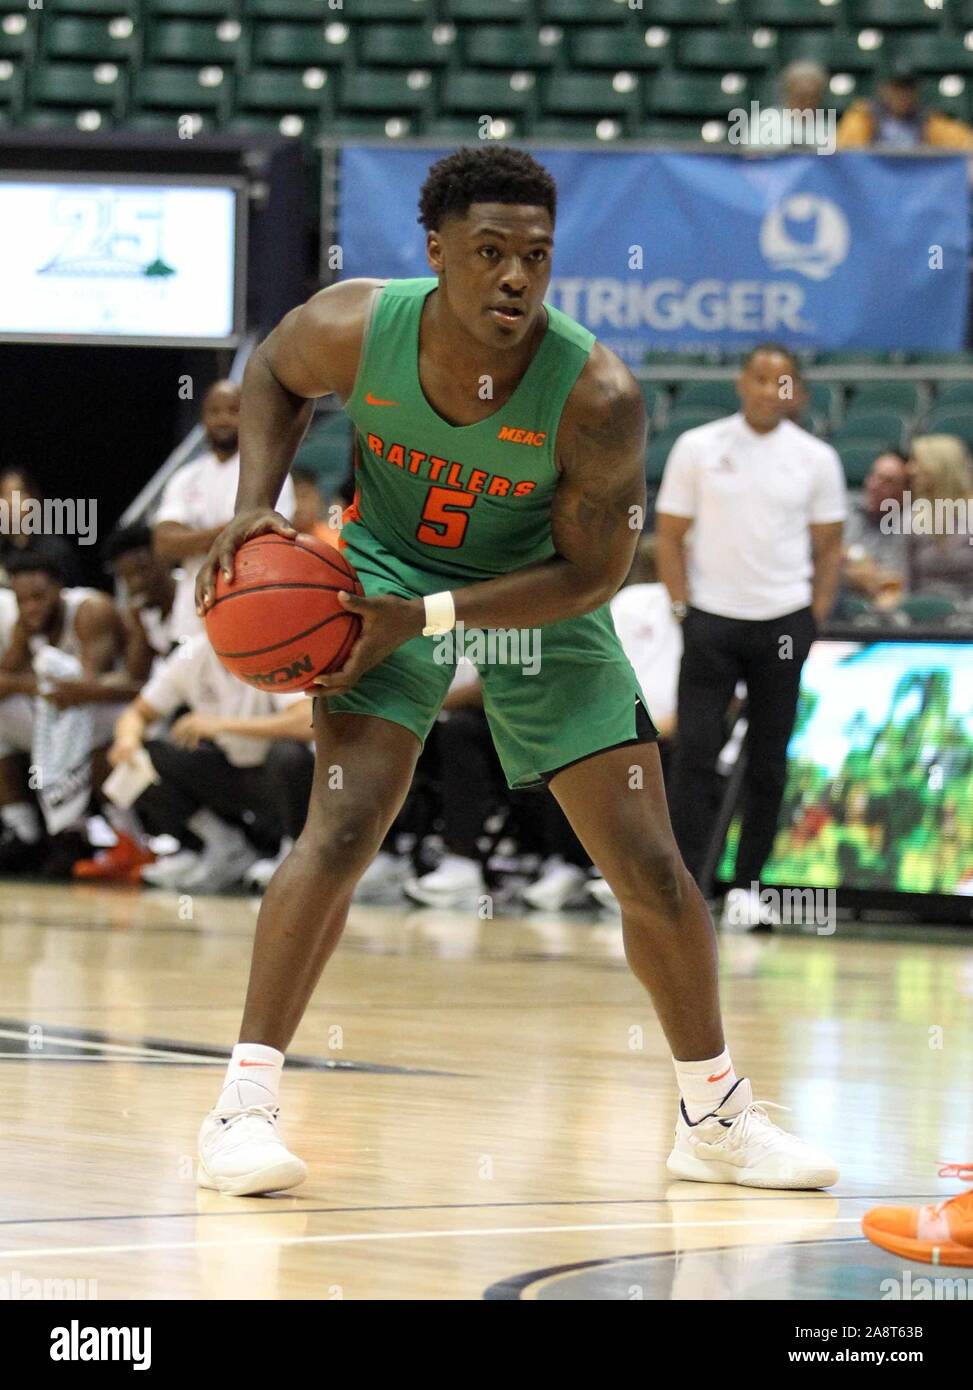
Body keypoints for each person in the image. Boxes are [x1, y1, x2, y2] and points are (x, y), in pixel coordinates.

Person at [193, 145, 839, 1197]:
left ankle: (713, 1116)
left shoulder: (595, 393)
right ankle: (242, 1106)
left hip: (532, 597)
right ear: (437, 251)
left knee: (648, 865)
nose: (513, 277)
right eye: (489, 252)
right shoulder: (359, 325)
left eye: (534, 256)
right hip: (382, 578)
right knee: (343, 828)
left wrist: (434, 618)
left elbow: (593, 571)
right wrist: (253, 504)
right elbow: (270, 369)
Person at [656, 345, 846, 929]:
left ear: (800, 394)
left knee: (768, 761)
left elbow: (830, 546)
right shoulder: (699, 447)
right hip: (710, 618)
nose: (771, 391)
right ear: (742, 383)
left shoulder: (816, 459)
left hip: (783, 620)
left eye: (783, 382)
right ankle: (687, 882)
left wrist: (812, 617)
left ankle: (749, 884)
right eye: (761, 379)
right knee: (695, 750)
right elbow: (669, 535)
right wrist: (683, 606)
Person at [108, 632, 314, 893]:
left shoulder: (275, 646)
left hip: (283, 781)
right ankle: (222, 847)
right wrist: (127, 740)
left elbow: (308, 721)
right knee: (142, 759)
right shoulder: (192, 654)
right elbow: (137, 713)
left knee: (288, 755)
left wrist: (220, 726)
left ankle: (295, 854)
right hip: (231, 771)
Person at [0, 544, 132, 874]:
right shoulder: (26, 622)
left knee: (75, 727)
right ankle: (24, 829)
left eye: (38, 596)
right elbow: (6, 678)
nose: (30, 607)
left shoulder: (89, 610)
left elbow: (86, 687)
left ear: (59, 588)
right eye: (22, 600)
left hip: (119, 707)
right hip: (74, 712)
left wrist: (37, 685)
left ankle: (127, 839)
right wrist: (32, 685)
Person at [153, 381, 296, 642]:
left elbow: (263, 540)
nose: (223, 419)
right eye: (214, 411)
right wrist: (231, 530)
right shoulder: (186, 477)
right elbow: (164, 542)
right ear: (203, 417)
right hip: (189, 618)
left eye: (233, 410)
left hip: (249, 614)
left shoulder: (272, 474)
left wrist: (193, 536)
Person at [838, 62, 973, 150]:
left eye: (908, 88)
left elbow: (965, 142)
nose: (902, 94)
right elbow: (845, 153)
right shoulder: (863, 117)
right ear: (883, 89)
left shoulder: (929, 121)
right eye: (896, 88)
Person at [905, 435, 973, 604]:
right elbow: (905, 579)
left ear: (940, 467)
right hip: (919, 615)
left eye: (917, 462)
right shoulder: (911, 517)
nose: (910, 469)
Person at [0, 468, 85, 587]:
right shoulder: (3, 550)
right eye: (3, 495)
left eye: (16, 494)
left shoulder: (55, 551)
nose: (8, 502)